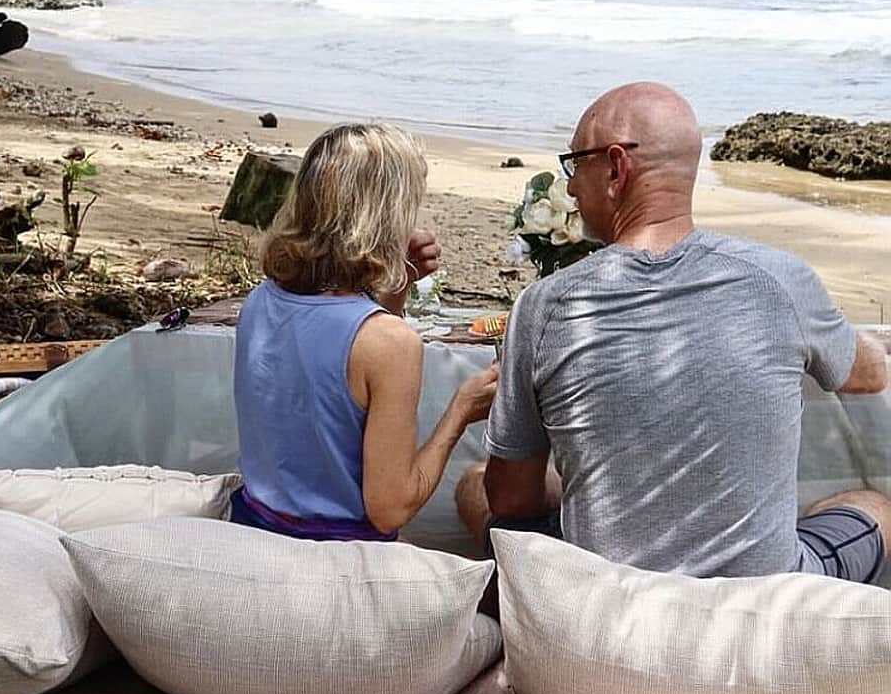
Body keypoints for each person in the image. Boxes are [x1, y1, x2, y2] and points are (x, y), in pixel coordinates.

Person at [457, 82, 889, 581]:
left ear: (616, 168)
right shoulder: (780, 281)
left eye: (575, 165)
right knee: (872, 505)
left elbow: (510, 499)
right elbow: (869, 376)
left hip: (608, 601)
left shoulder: (544, 306)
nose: (571, 187)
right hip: (763, 598)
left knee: (475, 483)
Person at [229, 122, 499, 541]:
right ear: (388, 215)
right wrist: (461, 412)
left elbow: (338, 389)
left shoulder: (260, 302)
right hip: (335, 554)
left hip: (255, 526)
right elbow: (390, 509)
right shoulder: (389, 343)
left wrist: (396, 287)